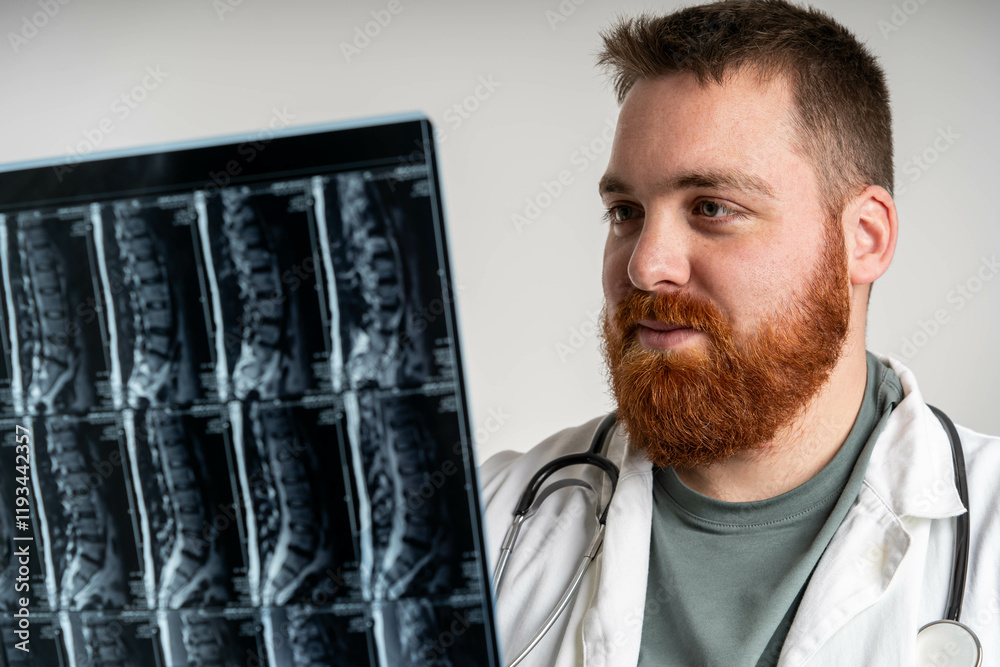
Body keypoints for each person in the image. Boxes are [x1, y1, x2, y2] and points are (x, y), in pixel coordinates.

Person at [479, 1, 1000, 665]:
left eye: (712, 207)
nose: (645, 263)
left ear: (863, 239)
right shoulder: (487, 525)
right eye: (625, 212)